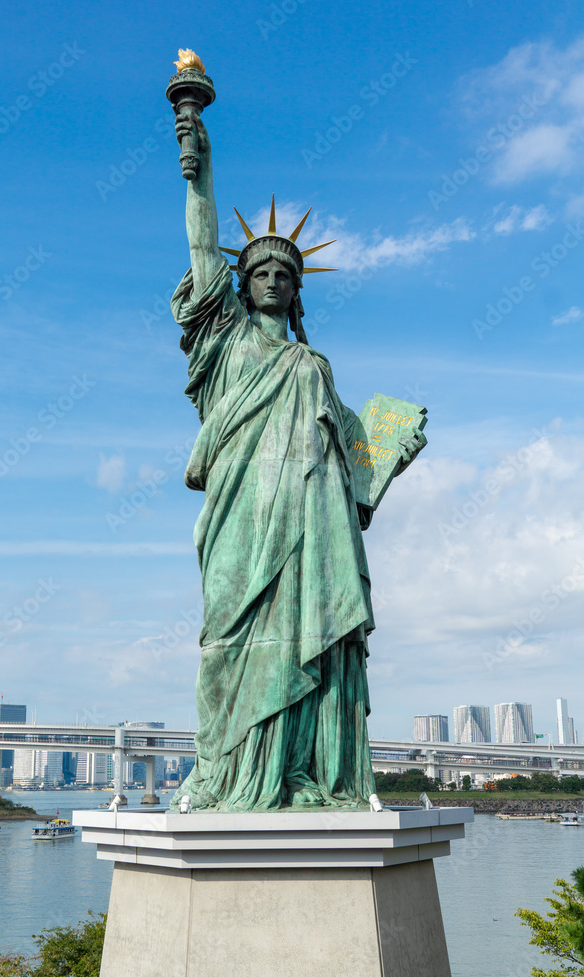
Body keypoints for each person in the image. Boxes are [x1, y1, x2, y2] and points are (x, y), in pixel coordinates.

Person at [169, 110, 424, 812]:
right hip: (240, 514)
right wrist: (198, 159)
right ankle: (226, 773)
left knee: (312, 635)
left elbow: (354, 467)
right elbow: (200, 252)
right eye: (260, 269)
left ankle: (302, 773)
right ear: (241, 282)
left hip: (313, 526)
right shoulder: (222, 339)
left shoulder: (313, 364)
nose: (274, 277)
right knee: (227, 640)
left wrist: (390, 446)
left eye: (286, 271)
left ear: (297, 287)